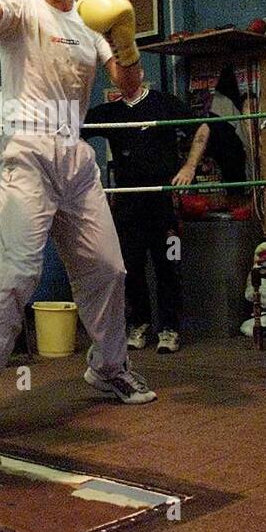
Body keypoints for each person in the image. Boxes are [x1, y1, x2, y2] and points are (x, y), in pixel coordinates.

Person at [0, 0, 155, 452]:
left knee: (108, 268)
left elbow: (131, 91)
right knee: (13, 274)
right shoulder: (19, 6)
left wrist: (125, 37)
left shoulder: (94, 22)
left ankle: (108, 368)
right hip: (28, 155)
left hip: (77, 160)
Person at [85, 80, 210, 353]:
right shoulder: (110, 112)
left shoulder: (164, 103)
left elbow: (201, 127)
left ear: (139, 72)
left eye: (130, 67)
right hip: (128, 201)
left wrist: (189, 167)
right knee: (129, 265)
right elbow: (72, 130)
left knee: (168, 263)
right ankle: (139, 323)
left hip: (163, 199)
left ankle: (169, 328)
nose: (124, 74)